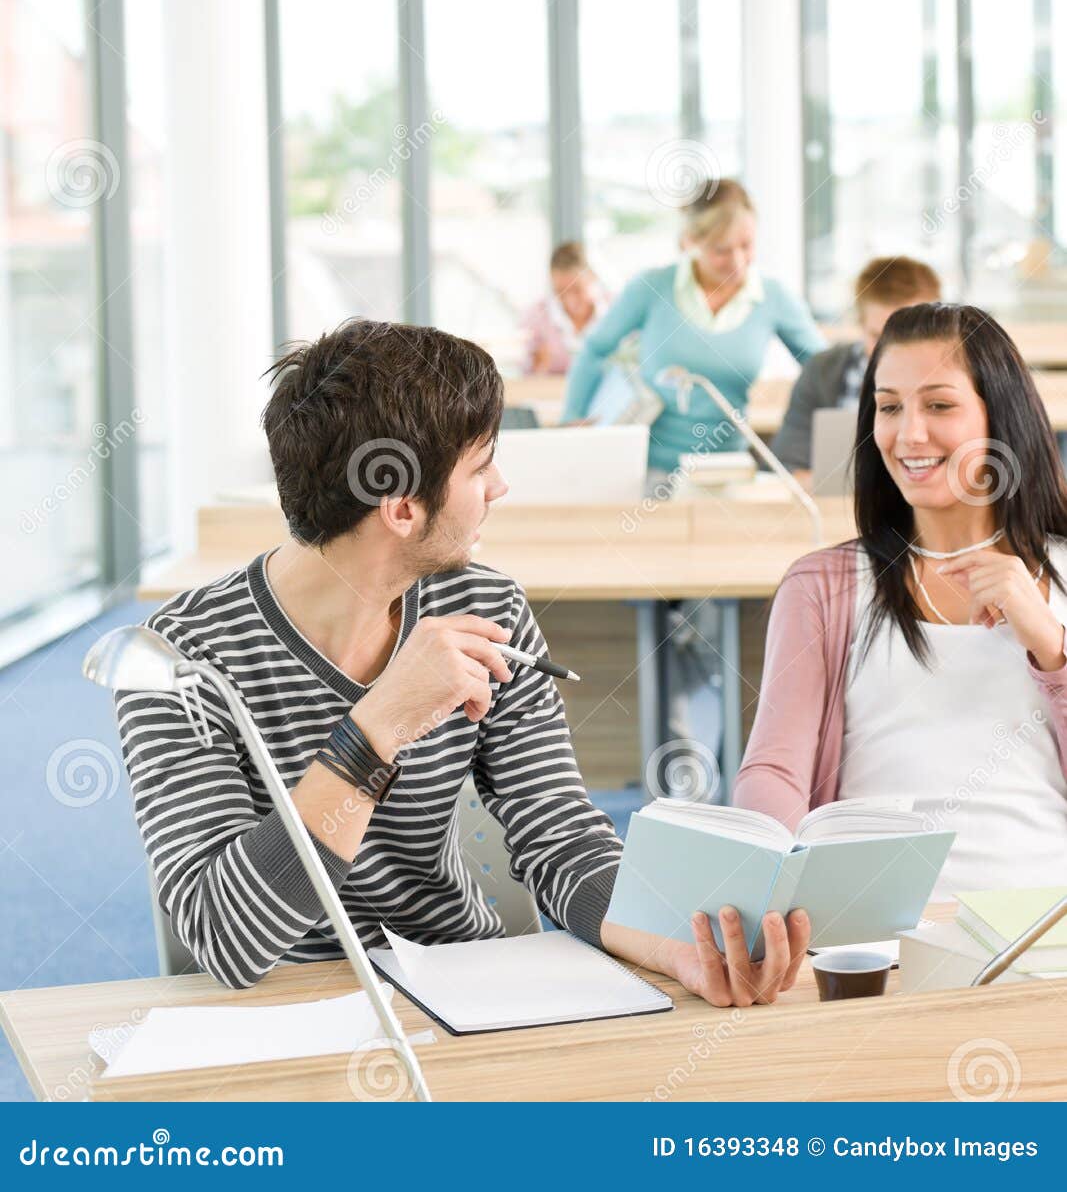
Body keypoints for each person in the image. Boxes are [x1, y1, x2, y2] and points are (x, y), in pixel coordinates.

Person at [116, 318, 808, 1005]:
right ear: (402, 507)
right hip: (284, 1006)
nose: (499, 486)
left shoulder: (486, 607)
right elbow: (224, 937)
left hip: (465, 986)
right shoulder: (180, 660)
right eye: (480, 467)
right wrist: (378, 727)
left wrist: (673, 947)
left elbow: (559, 837)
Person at [735, 302, 1067, 895]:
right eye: (889, 407)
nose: (909, 434)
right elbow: (775, 772)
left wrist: (1050, 647)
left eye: (939, 405)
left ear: (1001, 417)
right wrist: (771, 897)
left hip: (1045, 921)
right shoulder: (824, 587)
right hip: (871, 925)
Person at [562, 179, 823, 474]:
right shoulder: (652, 287)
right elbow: (594, 349)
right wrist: (573, 416)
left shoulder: (773, 298)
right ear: (691, 241)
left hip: (730, 468)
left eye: (746, 245)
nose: (737, 262)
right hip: (648, 467)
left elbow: (825, 369)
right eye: (721, 250)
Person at [772, 255, 941, 482]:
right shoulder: (821, 370)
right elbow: (787, 464)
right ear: (860, 325)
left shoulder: (961, 374)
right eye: (877, 336)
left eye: (907, 335)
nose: (890, 352)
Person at [520, 241, 609, 375]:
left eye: (577, 289)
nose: (569, 301)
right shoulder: (535, 316)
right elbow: (524, 377)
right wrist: (536, 367)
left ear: (593, 278)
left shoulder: (616, 310)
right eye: (560, 291)